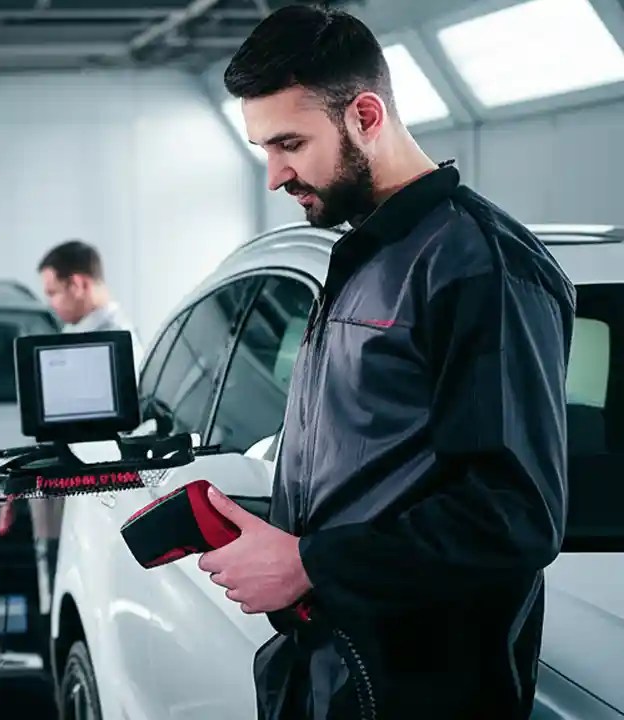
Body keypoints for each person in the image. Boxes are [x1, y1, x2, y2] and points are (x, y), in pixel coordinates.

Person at [195, 6, 575, 719]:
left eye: (289, 143)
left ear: (366, 115)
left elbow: (514, 513)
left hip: (421, 692)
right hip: (334, 674)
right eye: (263, 149)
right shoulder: (365, 253)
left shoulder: (478, 265)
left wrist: (308, 564)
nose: (275, 175)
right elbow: (378, 473)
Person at [0, 240, 143, 630]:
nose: (51, 304)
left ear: (77, 283)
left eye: (52, 292)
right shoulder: (84, 335)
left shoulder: (109, 342)